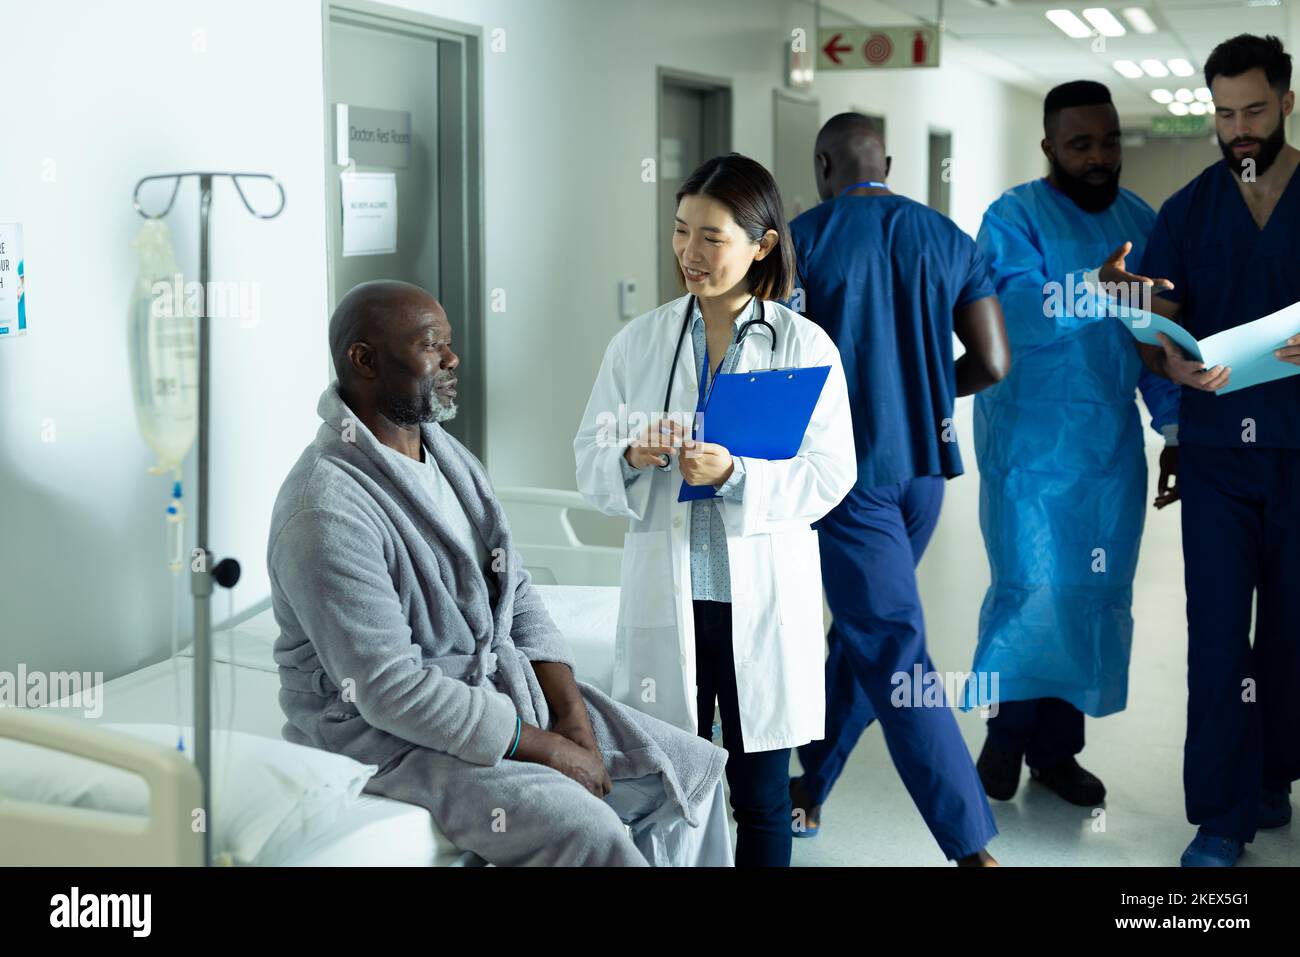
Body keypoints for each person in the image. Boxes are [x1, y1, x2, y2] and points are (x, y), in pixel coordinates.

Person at [268, 279, 733, 867]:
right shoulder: (325, 510)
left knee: (694, 768)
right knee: (585, 830)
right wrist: (549, 751)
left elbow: (516, 593)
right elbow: (389, 691)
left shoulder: (443, 453)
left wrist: (571, 719)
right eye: (431, 345)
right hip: (385, 735)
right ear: (364, 360)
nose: (451, 358)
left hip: (495, 692)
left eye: (449, 342)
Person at [574, 153, 856, 867]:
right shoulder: (639, 341)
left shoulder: (802, 344)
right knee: (667, 782)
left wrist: (737, 474)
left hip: (756, 597)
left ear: (761, 244)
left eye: (712, 238)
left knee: (762, 793)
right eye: (680, 232)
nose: (688, 254)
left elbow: (832, 472)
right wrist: (632, 456)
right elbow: (588, 456)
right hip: (672, 597)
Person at [785, 113, 1010, 866]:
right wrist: (921, 397)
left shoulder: (802, 240)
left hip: (850, 482)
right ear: (889, 159)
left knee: (894, 651)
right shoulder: (946, 236)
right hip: (923, 477)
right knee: (866, 630)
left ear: (823, 164)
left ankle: (971, 848)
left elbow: (776, 365)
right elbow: (995, 361)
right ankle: (810, 782)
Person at [967, 81, 1182, 809]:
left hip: (1108, 451)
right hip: (1027, 446)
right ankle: (1006, 735)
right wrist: (1097, 285)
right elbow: (1017, 314)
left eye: (1109, 141)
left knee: (1092, 595)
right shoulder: (1013, 216)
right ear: (1049, 148)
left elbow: (1160, 341)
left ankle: (1057, 752)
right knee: (1030, 590)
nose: (1098, 157)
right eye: (1081, 144)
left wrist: (1175, 423)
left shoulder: (1141, 221)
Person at [1135, 34, 1300, 867]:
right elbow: (1158, 329)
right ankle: (1221, 816)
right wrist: (1163, 349)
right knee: (1218, 638)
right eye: (1225, 113)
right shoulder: (1189, 208)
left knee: (1292, 635)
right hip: (1216, 457)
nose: (1239, 128)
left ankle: (1275, 770)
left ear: (1287, 104)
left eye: (1254, 111)